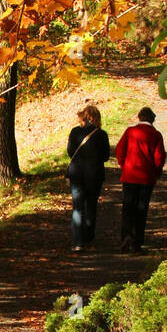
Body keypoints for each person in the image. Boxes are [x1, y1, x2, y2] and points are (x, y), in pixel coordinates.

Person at [115, 106, 166, 253]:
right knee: (142, 209)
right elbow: (159, 158)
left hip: (130, 175)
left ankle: (126, 235)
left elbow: (120, 150)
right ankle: (137, 242)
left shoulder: (130, 132)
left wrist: (123, 164)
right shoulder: (156, 135)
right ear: (152, 119)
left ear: (139, 117)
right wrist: (156, 172)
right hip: (146, 178)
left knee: (128, 207)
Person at [66, 103, 110, 251]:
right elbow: (105, 156)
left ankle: (78, 242)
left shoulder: (74, 132)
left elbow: (71, 151)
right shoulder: (101, 134)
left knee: (77, 208)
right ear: (97, 117)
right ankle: (89, 240)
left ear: (83, 117)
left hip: (76, 174)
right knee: (91, 206)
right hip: (94, 175)